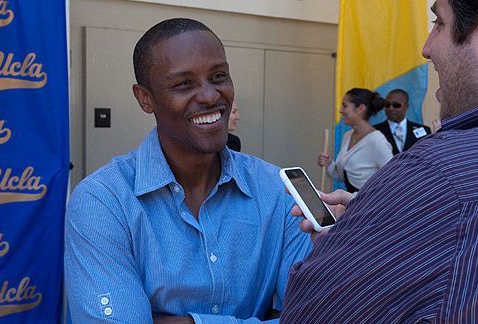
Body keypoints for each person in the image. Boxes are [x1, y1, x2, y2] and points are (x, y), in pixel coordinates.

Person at [64, 18, 313, 323]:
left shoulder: (278, 191)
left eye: (218, 76)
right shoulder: (102, 202)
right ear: (145, 98)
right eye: (184, 83)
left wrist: (184, 321)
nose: (210, 96)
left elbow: (315, 315)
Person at [281, 0, 478, 322]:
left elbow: (311, 313)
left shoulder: (432, 175)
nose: (427, 49)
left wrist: (360, 236)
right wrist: (376, 218)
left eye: (438, 23)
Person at [317, 88, 393, 193]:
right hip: (352, 204)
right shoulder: (348, 136)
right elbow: (343, 175)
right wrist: (329, 164)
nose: (340, 110)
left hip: (368, 205)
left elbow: (393, 179)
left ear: (360, 108)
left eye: (345, 105)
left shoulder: (377, 141)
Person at [373, 88, 432, 155]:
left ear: (406, 107)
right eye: (387, 105)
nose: (390, 108)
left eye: (396, 105)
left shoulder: (424, 131)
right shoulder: (375, 131)